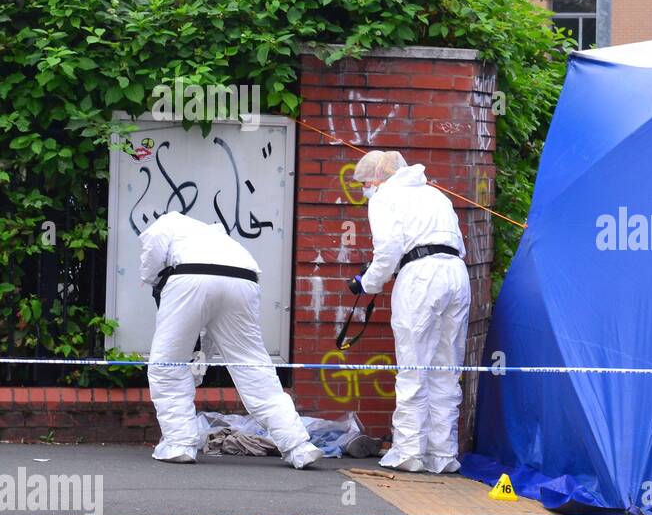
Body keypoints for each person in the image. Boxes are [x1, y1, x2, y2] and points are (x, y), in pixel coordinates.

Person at [140, 211, 322, 468]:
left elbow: (154, 244)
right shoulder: (216, 236)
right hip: (243, 280)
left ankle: (179, 444)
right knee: (253, 367)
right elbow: (207, 335)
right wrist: (198, 368)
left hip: (191, 277)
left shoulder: (170, 221)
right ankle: (298, 446)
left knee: (166, 366)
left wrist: (151, 278)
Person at [349, 150, 471, 473]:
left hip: (420, 276)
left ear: (378, 178)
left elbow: (387, 251)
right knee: (447, 369)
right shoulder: (435, 195)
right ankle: (443, 455)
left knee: (413, 365)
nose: (364, 190)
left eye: (365, 183)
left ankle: (408, 452)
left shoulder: (385, 198)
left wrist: (368, 283)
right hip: (457, 274)